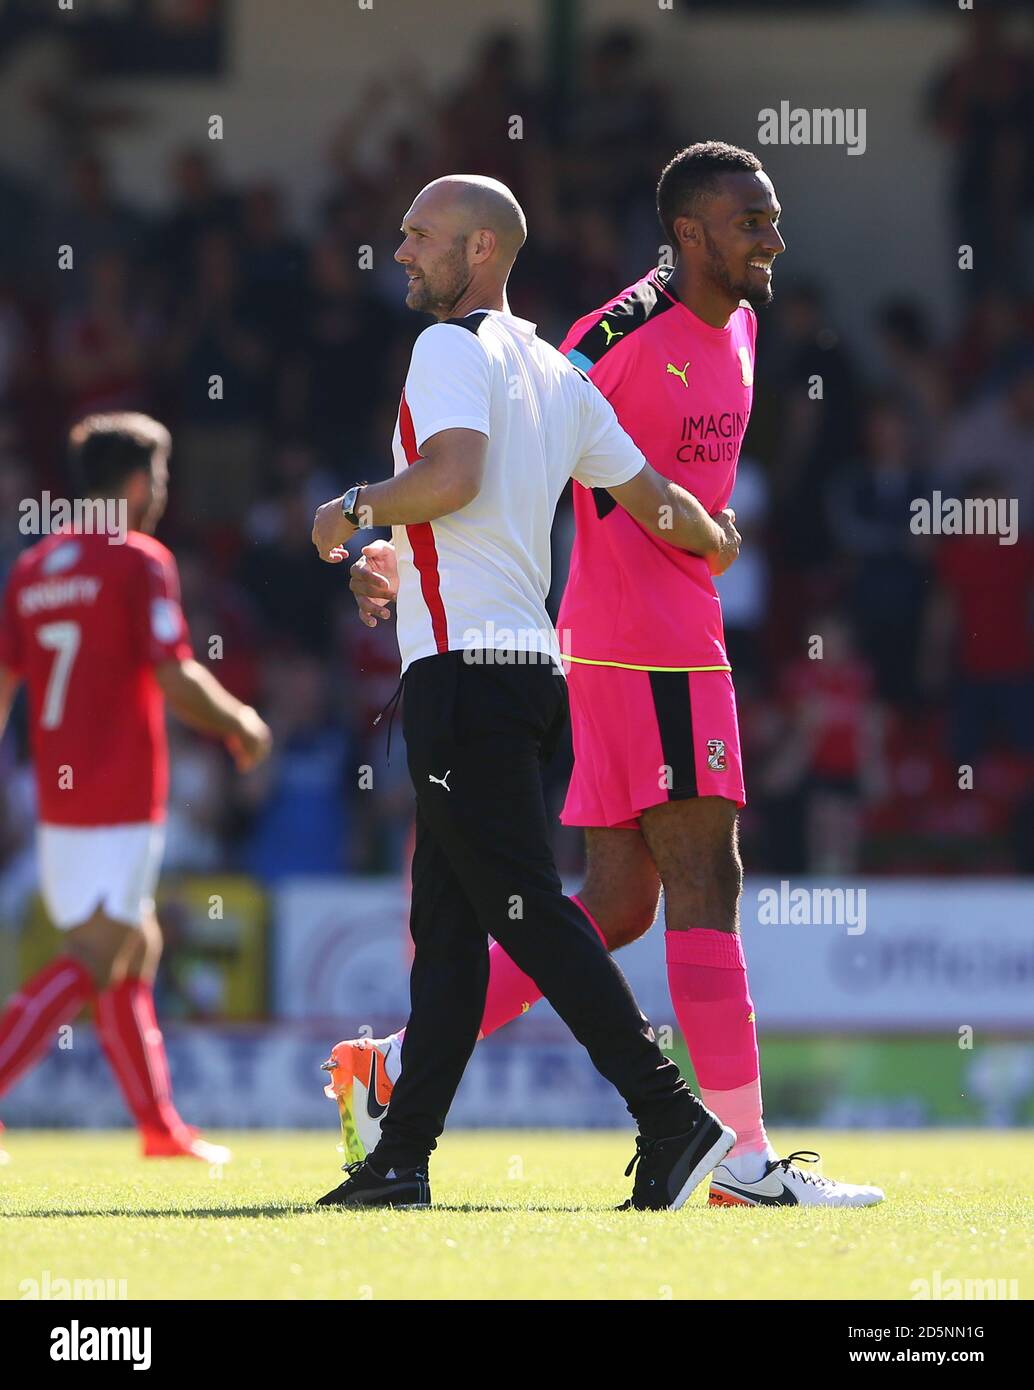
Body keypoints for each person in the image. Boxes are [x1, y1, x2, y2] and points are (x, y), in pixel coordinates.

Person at [336, 145, 884, 1208]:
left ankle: (391, 1063)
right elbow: (520, 445)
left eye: (771, 220)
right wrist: (402, 552)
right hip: (636, 638)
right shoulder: (608, 338)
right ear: (688, 233)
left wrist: (706, 535)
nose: (772, 238)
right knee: (707, 875)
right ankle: (737, 1157)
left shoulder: (743, 325)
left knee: (618, 904)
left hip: (654, 630)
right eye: (751, 221)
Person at [310, 174, 742, 1211]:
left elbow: (454, 478)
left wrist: (352, 510)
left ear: (481, 252)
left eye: (420, 237)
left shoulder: (445, 350)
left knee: (527, 914)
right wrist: (714, 538)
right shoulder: (556, 373)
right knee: (451, 930)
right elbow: (654, 499)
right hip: (522, 672)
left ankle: (672, 1118)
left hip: (463, 681)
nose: (401, 253)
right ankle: (402, 1156)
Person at [0, 413, 272, 1162]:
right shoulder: (138, 559)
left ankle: (158, 1128)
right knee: (98, 953)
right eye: (159, 475)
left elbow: (5, 681)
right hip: (119, 792)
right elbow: (172, 670)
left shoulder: (34, 568)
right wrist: (242, 723)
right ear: (133, 482)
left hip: (59, 797)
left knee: (135, 946)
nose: (162, 491)